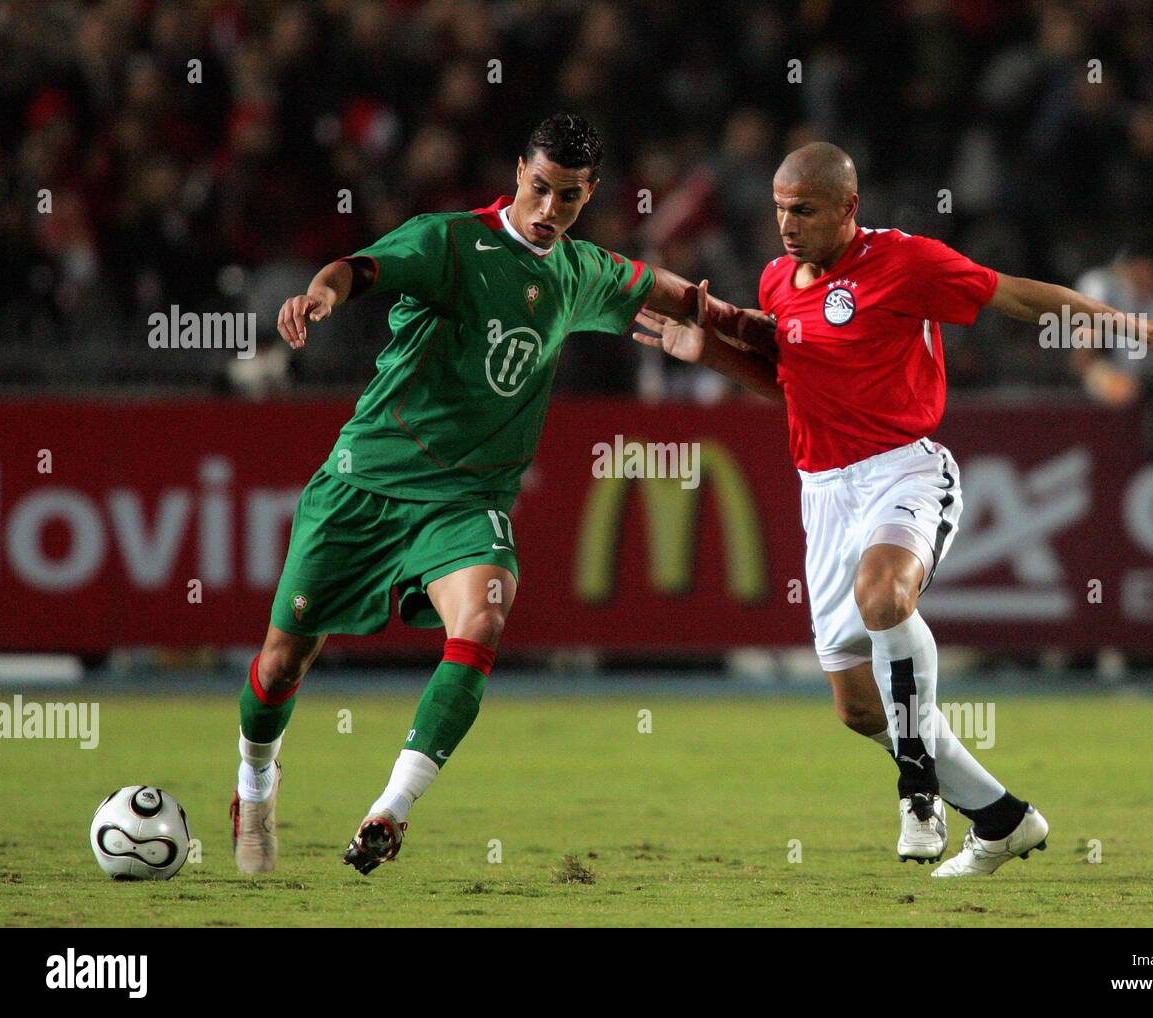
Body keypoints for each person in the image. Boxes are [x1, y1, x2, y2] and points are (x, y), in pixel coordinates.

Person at [634, 142, 1153, 877]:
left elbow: (1019, 295)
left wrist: (1135, 328)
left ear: (847, 206)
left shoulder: (905, 263)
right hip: (823, 493)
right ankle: (1002, 819)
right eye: (780, 208)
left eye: (803, 209)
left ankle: (918, 792)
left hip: (904, 471)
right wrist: (709, 350)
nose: (786, 224)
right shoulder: (778, 281)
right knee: (857, 708)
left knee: (885, 597)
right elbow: (791, 383)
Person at [232, 113, 779, 876]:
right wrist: (318, 297)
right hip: (368, 483)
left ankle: (389, 811)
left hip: (467, 501)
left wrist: (735, 321)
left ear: (589, 196)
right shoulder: (449, 241)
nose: (550, 211)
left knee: (485, 618)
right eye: (541, 189)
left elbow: (665, 292)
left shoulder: (579, 270)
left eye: (570, 198)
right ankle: (254, 789)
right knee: (284, 662)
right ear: (518, 171)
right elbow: (358, 269)